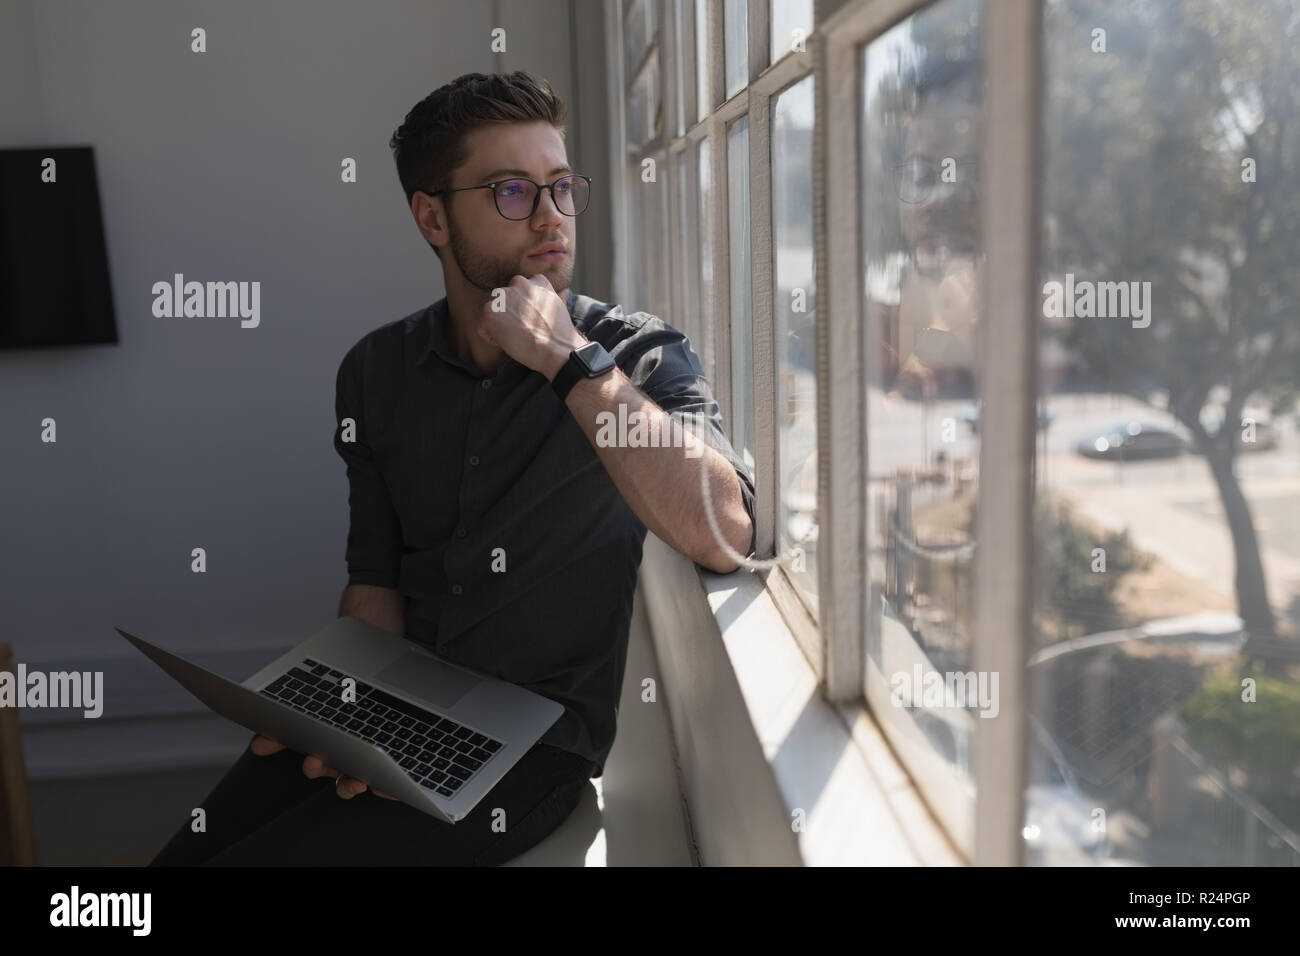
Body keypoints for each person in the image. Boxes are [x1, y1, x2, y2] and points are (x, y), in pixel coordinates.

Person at [150, 71, 756, 866]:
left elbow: (726, 531)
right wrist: (342, 718)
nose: (551, 218)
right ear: (432, 216)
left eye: (560, 187)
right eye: (512, 191)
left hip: (535, 752)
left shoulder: (635, 356)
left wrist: (569, 363)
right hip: (393, 708)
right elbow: (375, 588)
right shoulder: (375, 371)